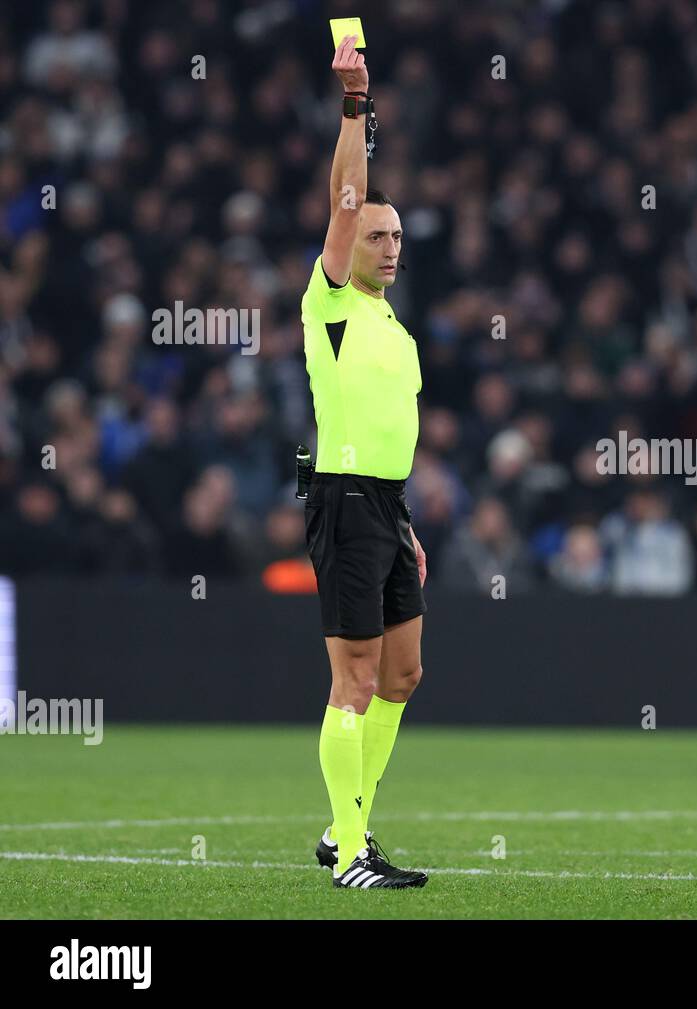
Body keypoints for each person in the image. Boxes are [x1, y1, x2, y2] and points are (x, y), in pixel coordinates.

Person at [301, 35, 427, 889]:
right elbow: (345, 201)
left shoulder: (390, 324)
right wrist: (355, 105)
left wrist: (407, 520)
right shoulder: (335, 299)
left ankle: (348, 826)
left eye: (395, 236)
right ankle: (351, 852)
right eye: (376, 233)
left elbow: (393, 427)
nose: (387, 246)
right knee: (351, 679)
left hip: (386, 504)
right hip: (344, 501)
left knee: (402, 674)